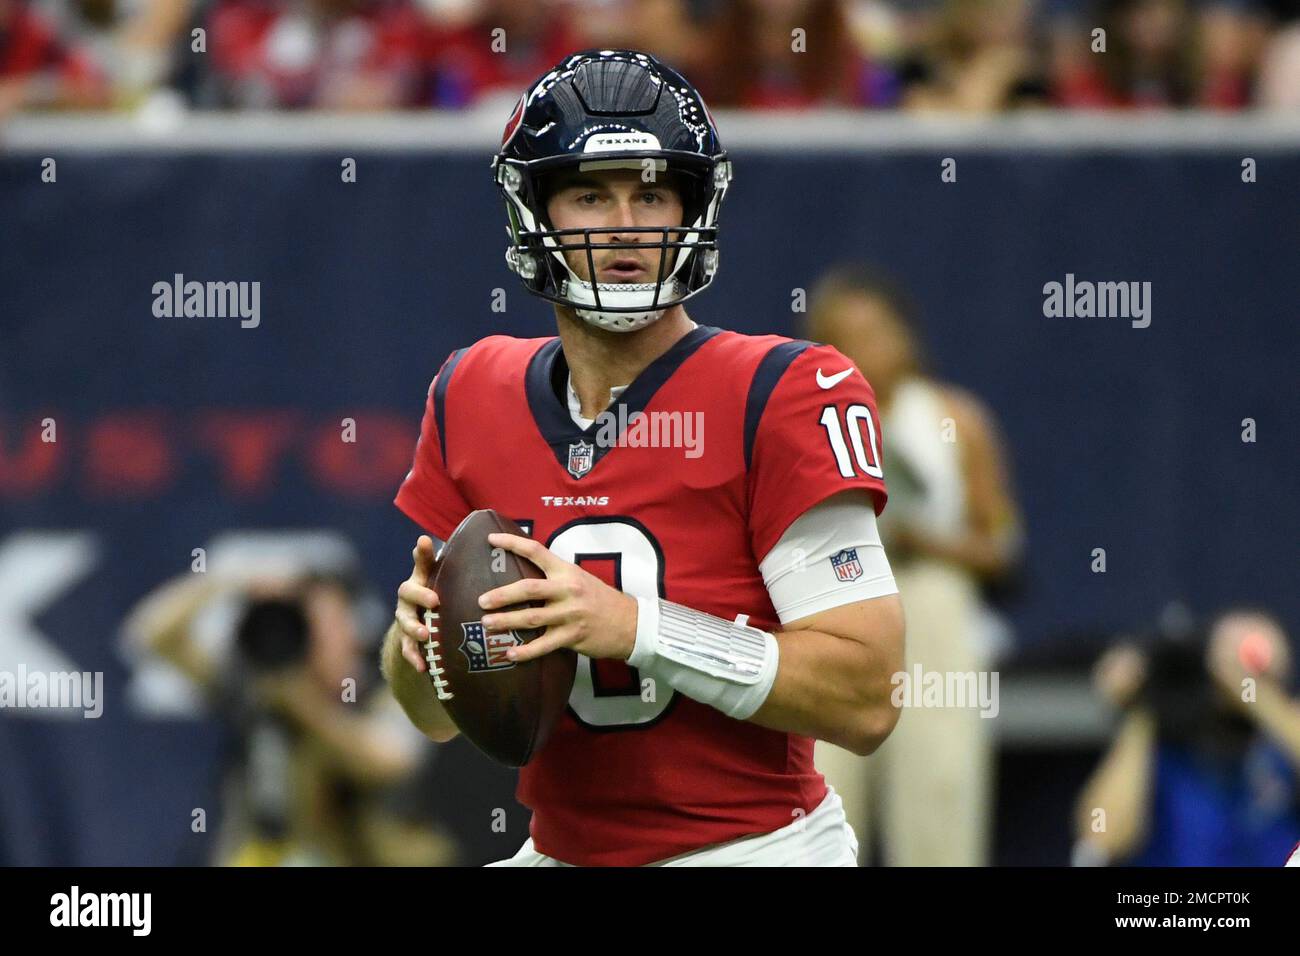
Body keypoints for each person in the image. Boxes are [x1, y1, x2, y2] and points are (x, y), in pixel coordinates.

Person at [381, 48, 905, 867]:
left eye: (651, 193)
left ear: (691, 210)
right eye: (591, 193)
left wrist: (634, 628)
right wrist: (419, 640)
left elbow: (867, 696)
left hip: (749, 851)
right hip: (560, 849)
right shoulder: (471, 390)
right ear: (536, 213)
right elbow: (432, 715)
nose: (625, 223)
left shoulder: (785, 391)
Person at [802, 264, 1023, 866]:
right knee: (822, 783)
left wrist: (921, 540)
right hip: (832, 608)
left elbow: (1003, 548)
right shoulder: (798, 422)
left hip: (930, 611)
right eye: (838, 337)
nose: (859, 352)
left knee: (939, 786)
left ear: (906, 338)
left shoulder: (957, 419)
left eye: (872, 333)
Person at [126, 568, 439, 865]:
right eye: (308, 624)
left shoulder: (385, 685)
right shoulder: (260, 685)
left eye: (327, 625)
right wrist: (233, 579)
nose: (318, 639)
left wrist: (301, 701)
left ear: (352, 628)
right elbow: (152, 633)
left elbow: (389, 760)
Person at [1075, 608, 1300, 867]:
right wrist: (1145, 703)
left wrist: (1253, 694)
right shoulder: (1160, 753)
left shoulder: (1282, 746)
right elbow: (1100, 842)